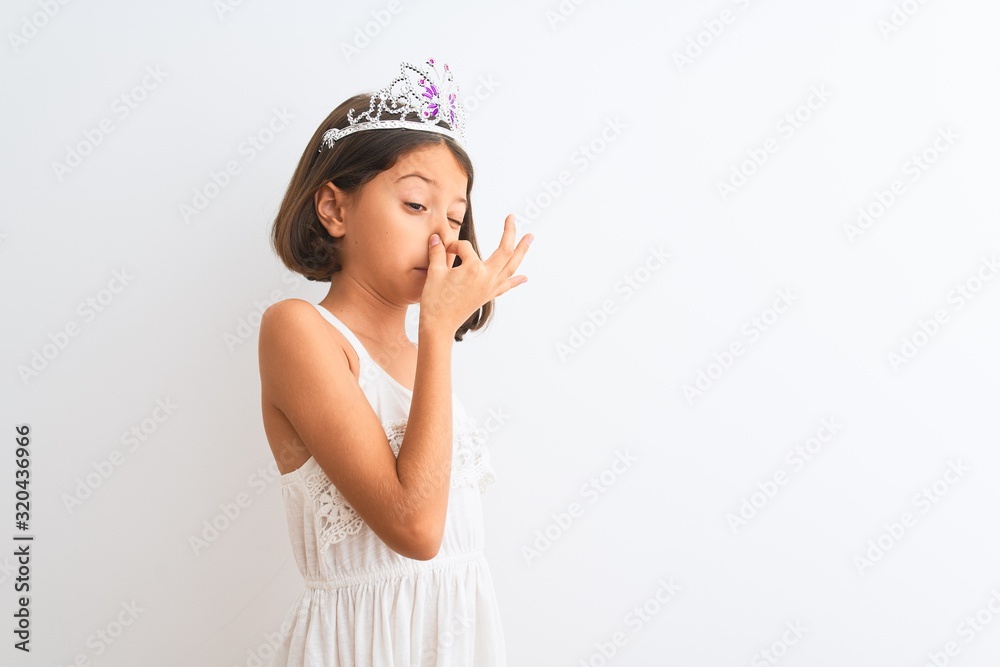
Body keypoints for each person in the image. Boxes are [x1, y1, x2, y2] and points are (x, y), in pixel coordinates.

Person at [258, 57, 533, 666]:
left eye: (455, 217)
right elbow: (415, 529)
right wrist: (437, 330)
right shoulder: (298, 330)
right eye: (415, 204)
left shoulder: (420, 358)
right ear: (334, 209)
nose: (441, 237)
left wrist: (431, 339)